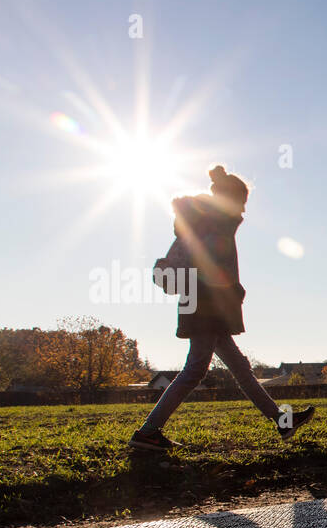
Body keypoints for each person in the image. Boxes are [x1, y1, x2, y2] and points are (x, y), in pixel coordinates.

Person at [130, 165, 314, 451]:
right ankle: (148, 432)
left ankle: (281, 421)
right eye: (240, 201)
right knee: (194, 371)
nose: (242, 209)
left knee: (239, 367)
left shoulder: (206, 223)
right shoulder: (208, 225)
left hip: (208, 308)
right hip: (204, 309)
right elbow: (197, 267)